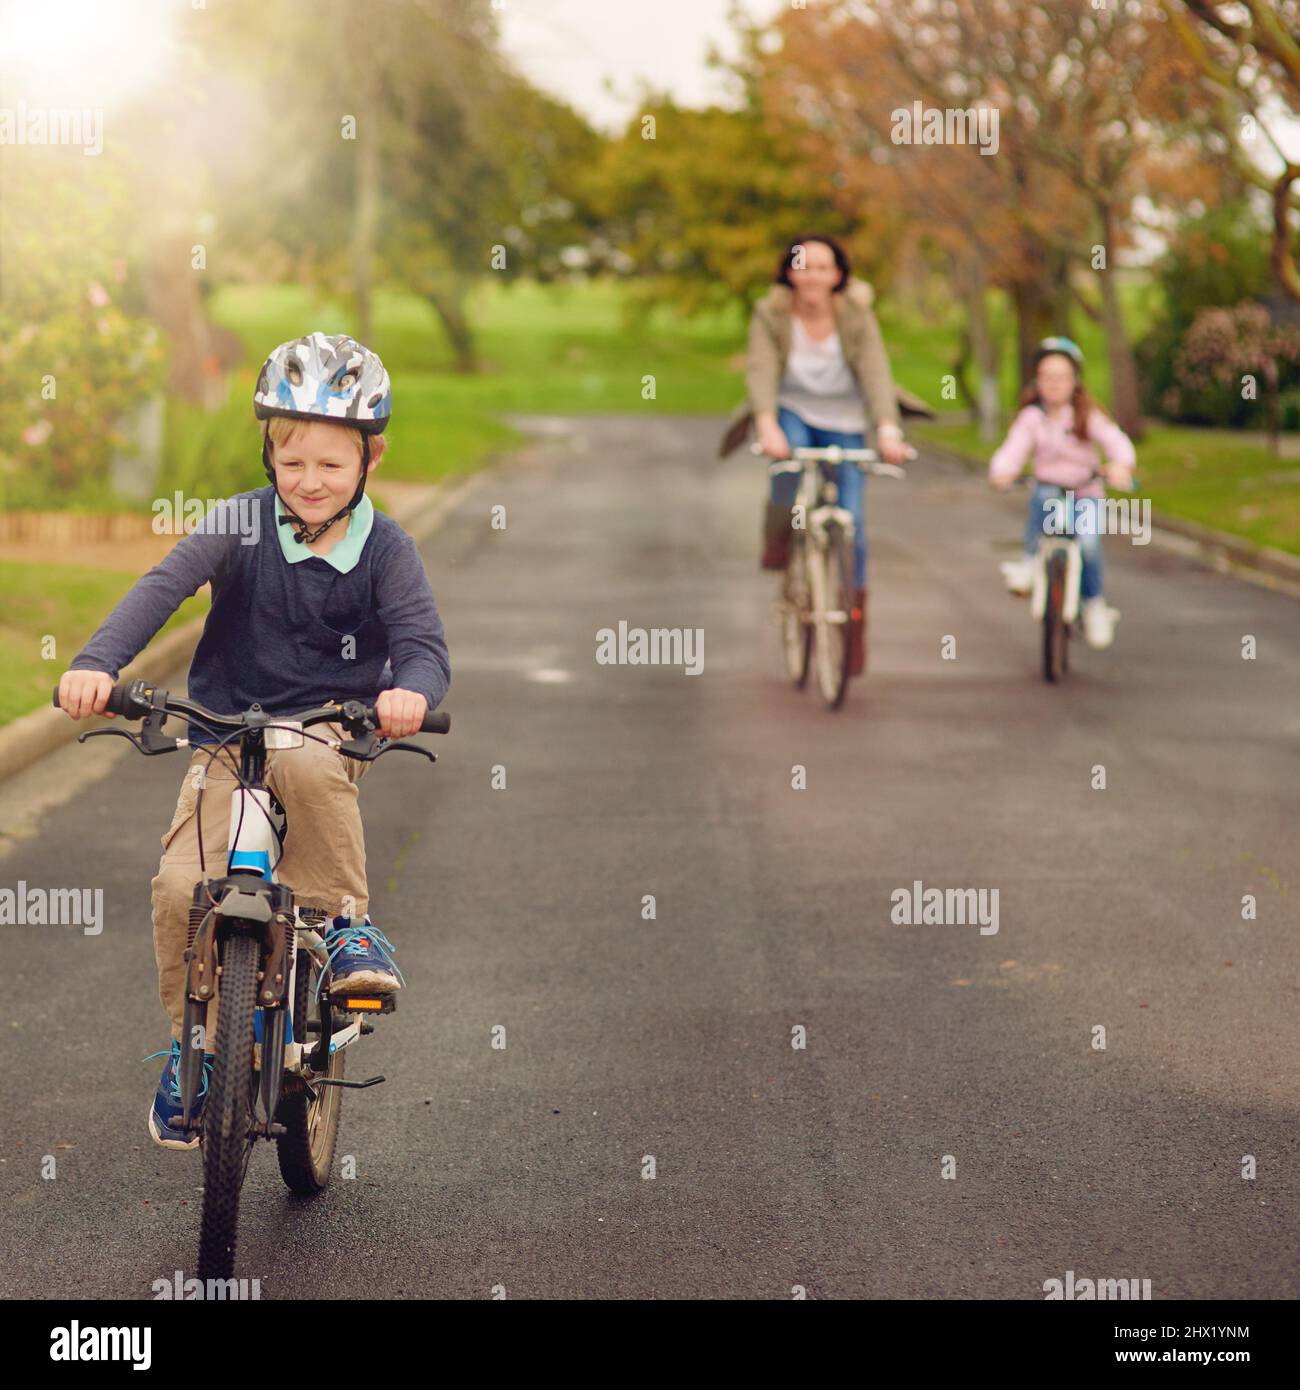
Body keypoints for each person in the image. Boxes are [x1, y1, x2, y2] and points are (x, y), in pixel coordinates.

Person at [54, 332, 451, 1149]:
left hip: (328, 733)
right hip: (227, 735)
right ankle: (195, 1051)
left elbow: (422, 644)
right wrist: (98, 663)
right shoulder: (237, 523)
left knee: (304, 756)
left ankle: (345, 927)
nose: (310, 482)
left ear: (370, 462)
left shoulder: (386, 549)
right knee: (176, 888)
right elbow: (160, 588)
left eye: (332, 466)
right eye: (293, 462)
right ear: (269, 454)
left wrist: (409, 692)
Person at [718, 233, 912, 676]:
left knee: (854, 522)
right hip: (792, 410)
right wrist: (766, 423)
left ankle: (853, 626)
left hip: (844, 418)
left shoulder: (856, 314)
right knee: (786, 470)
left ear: (838, 275)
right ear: (789, 271)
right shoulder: (771, 313)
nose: (813, 276)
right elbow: (762, 367)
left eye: (823, 268)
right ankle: (780, 540)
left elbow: (876, 370)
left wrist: (886, 427)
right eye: (804, 266)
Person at [989, 337, 1136, 650]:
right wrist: (1002, 470)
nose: (1054, 384)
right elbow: (1013, 449)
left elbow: (1117, 443)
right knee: (1043, 498)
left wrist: (1120, 465)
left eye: (1061, 377)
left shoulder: (1087, 415)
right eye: (1047, 377)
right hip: (1050, 490)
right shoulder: (1032, 418)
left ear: (1074, 381)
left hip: (1084, 493)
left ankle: (1094, 605)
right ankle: (1030, 563)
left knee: (1089, 544)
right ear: (1037, 381)